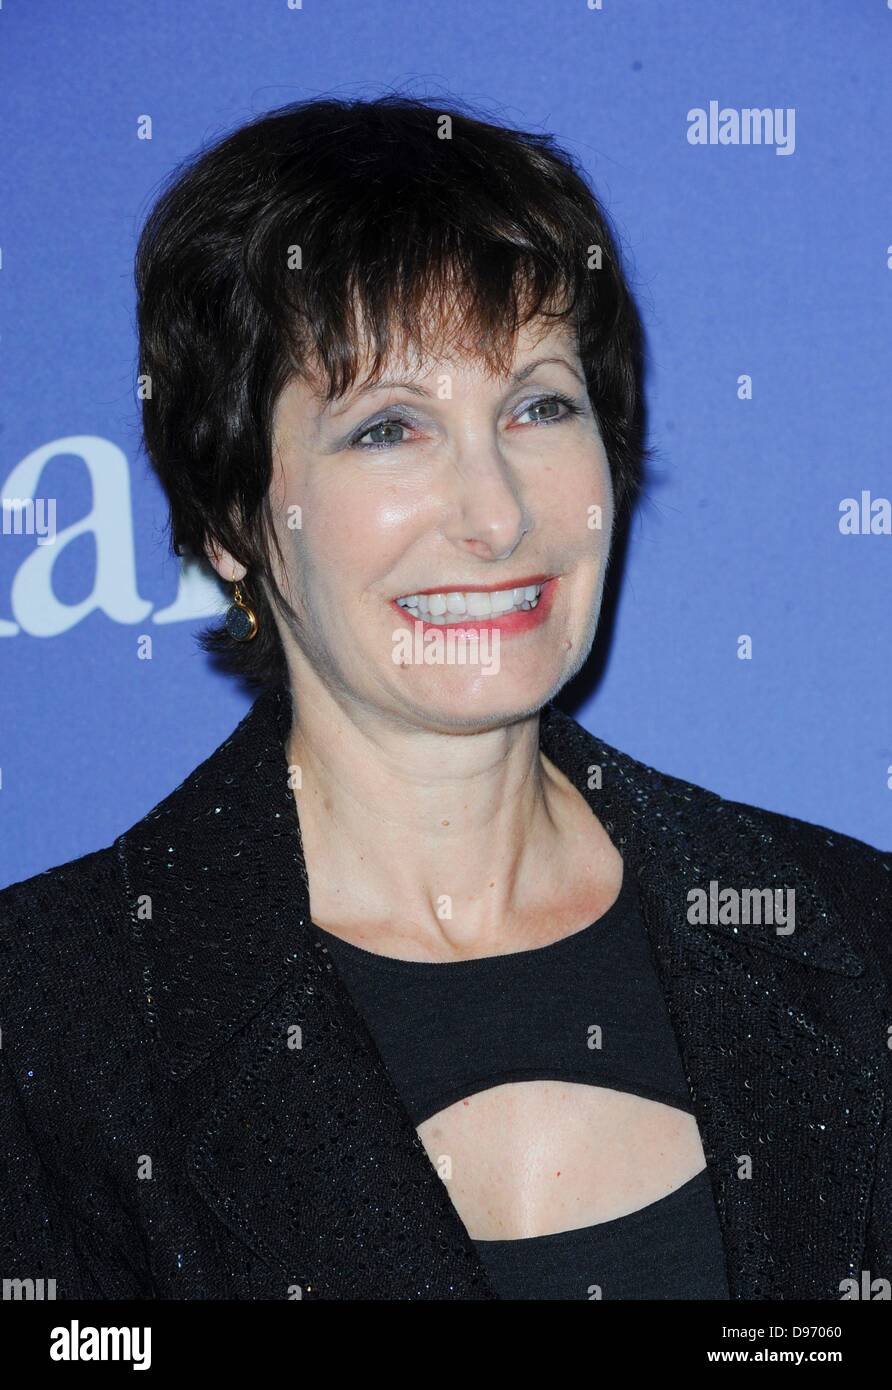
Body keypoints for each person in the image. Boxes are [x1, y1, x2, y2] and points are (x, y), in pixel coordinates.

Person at [1, 93, 889, 1302]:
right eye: (387, 430)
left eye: (537, 406)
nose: (497, 513)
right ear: (227, 517)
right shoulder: (51, 1023)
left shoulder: (846, 930)